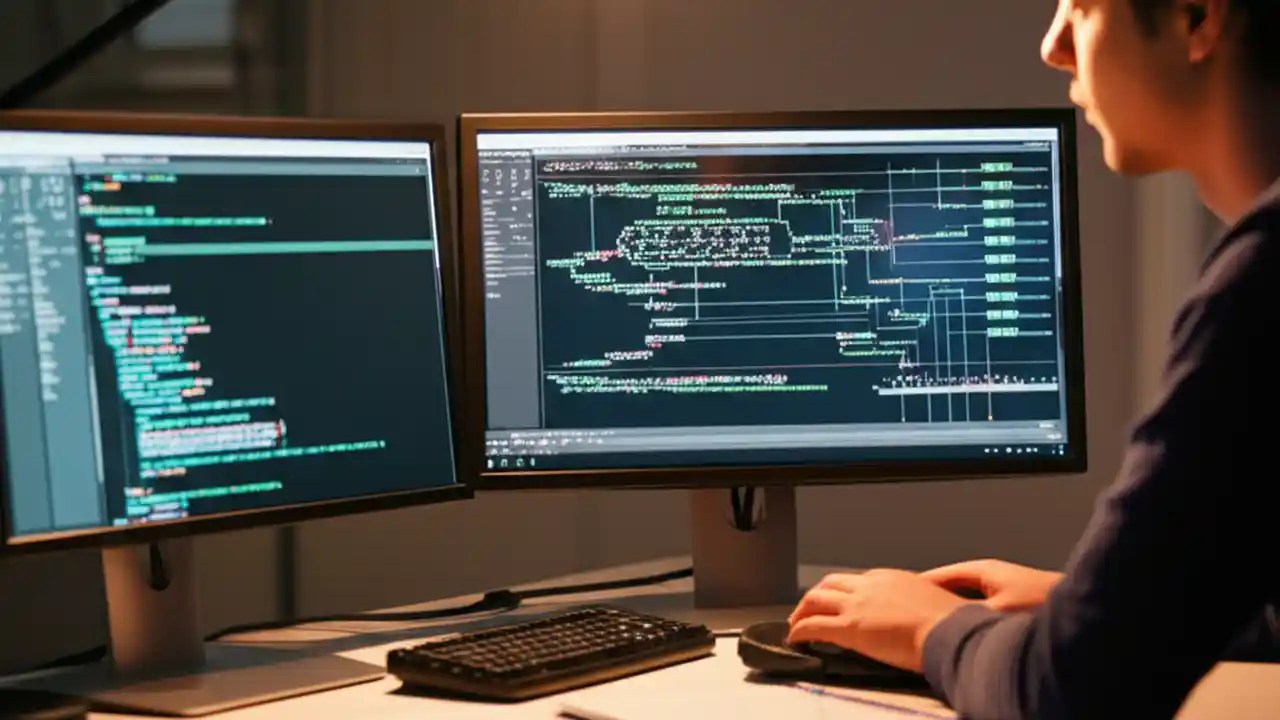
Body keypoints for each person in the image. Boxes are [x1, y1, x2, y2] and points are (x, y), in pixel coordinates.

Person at [785, 0, 1280, 717]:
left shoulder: (1261, 292)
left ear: (1198, 16)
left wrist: (930, 627)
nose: (1053, 47)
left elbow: (1069, 695)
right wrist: (1092, 606)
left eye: (1080, 6)